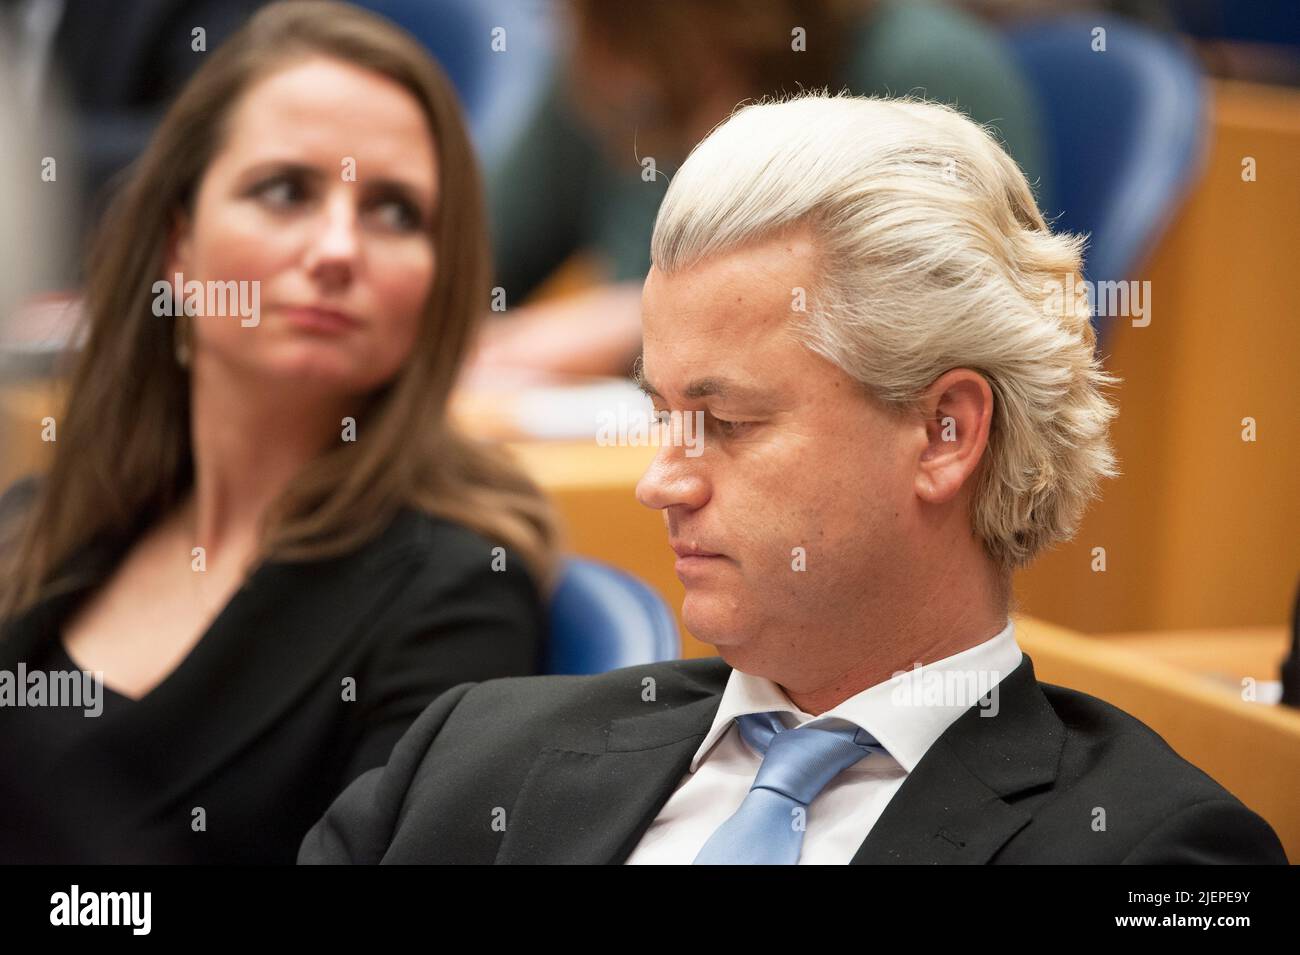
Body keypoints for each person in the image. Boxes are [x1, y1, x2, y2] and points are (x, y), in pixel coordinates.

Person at [299, 92, 1287, 865]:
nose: (660, 484)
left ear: (944, 432)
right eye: (664, 417)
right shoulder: (467, 756)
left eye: (725, 422)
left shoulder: (1151, 850)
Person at [0, 0, 556, 864]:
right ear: (177, 249)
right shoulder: (34, 525)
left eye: (395, 211)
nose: (337, 249)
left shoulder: (455, 594)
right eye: (287, 191)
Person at [473, 0, 1052, 379]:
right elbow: (472, 258)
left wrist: (640, 324)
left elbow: (962, 341)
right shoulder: (628, 50)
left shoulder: (923, 70)